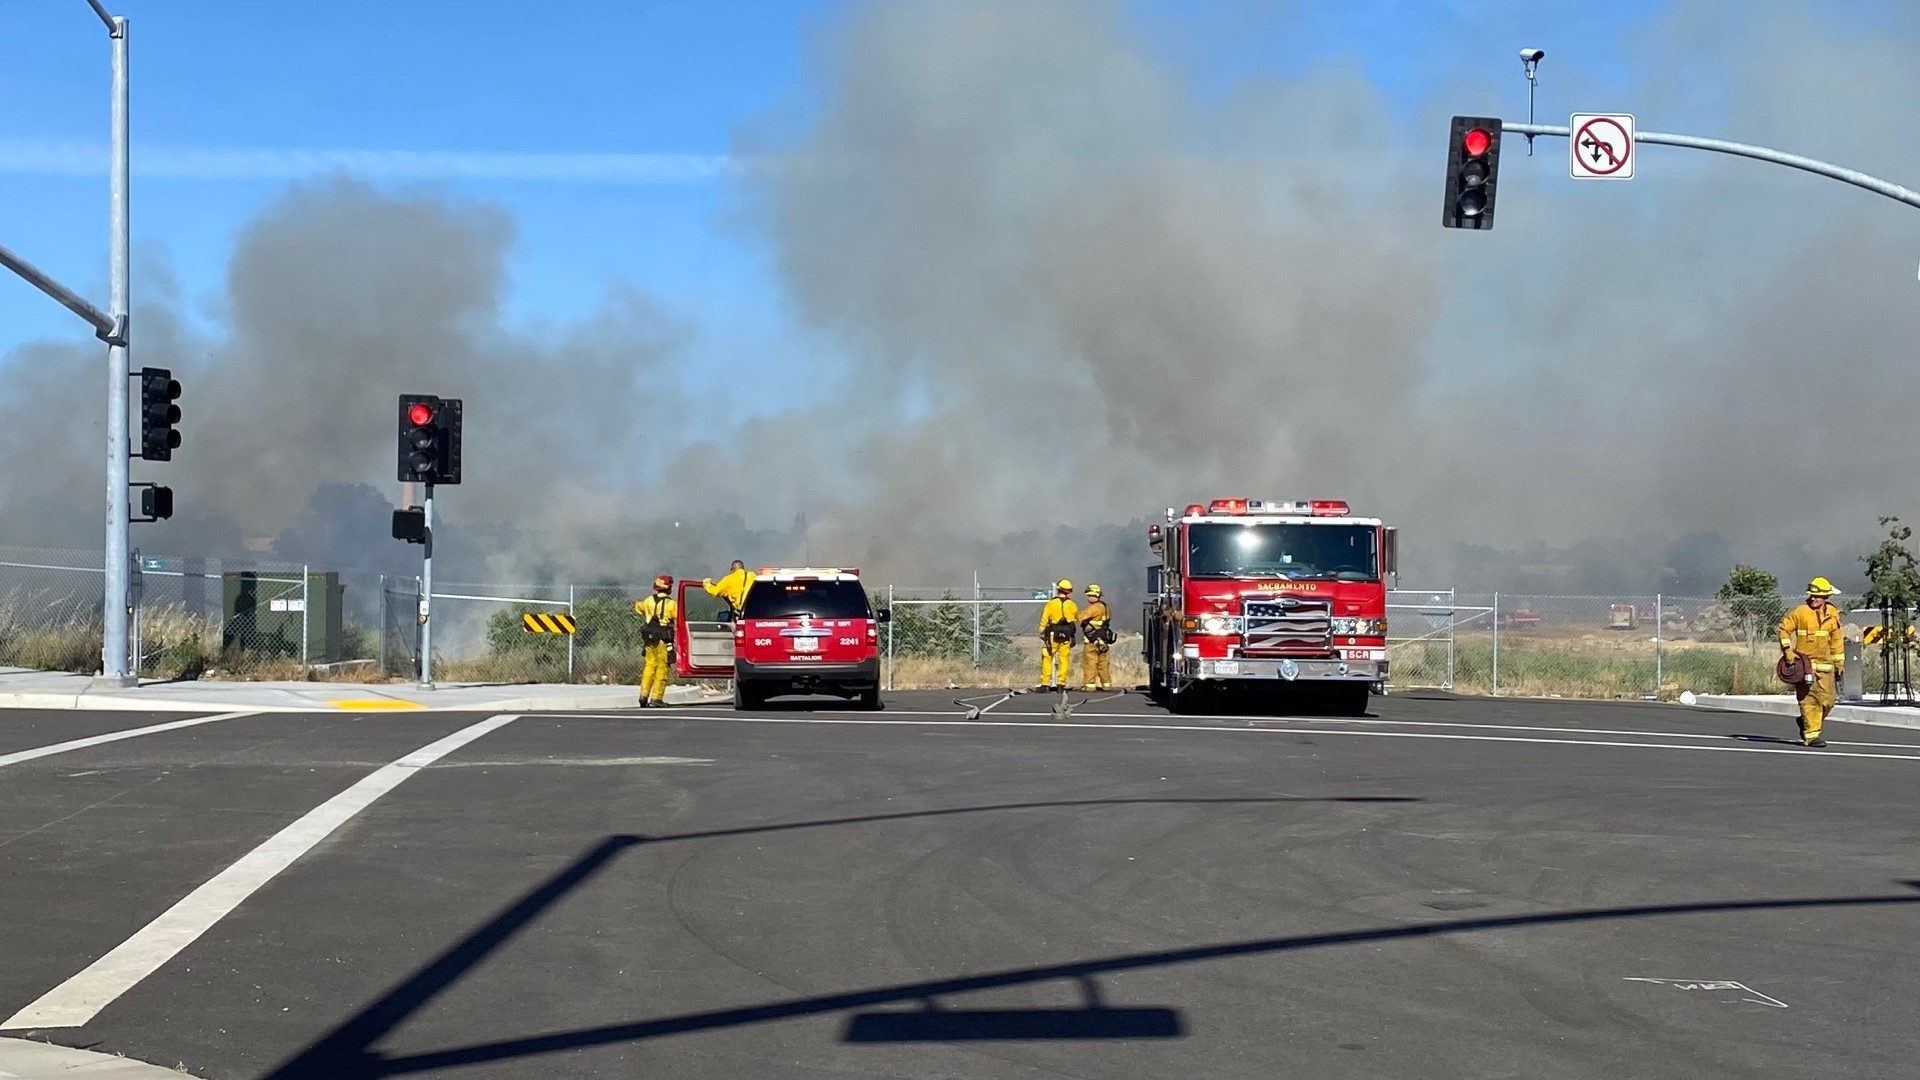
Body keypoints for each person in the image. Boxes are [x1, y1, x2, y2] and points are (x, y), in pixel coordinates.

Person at [1778, 577, 1843, 748]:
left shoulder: (1832, 613)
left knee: (1828, 701)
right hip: (1805, 665)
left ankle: (1805, 721)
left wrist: (1839, 662)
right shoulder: (1800, 612)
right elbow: (1784, 630)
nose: (1814, 598)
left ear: (1826, 597)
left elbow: (1836, 639)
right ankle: (1811, 735)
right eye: (1812, 595)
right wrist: (1787, 651)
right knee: (1809, 701)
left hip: (1825, 665)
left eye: (1818, 596)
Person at [633, 574, 678, 707]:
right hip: (664, 641)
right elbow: (678, 618)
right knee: (662, 669)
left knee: (649, 668)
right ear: (669, 588)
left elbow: (638, 607)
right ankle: (656, 698)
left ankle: (643, 696)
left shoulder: (648, 601)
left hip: (649, 640)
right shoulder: (671, 604)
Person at [1038, 579, 1078, 689]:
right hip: (1066, 635)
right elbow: (1075, 618)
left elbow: (1044, 619)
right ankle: (1061, 683)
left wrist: (1041, 631)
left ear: (1058, 589)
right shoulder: (1072, 605)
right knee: (1064, 659)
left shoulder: (1051, 604)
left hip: (1052, 635)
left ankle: (1045, 683)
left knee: (1047, 656)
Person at [1080, 583, 1115, 690]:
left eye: (1088, 595)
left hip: (1092, 641)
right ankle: (1106, 684)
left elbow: (1081, 617)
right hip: (1103, 640)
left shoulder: (1094, 608)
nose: (1087, 598)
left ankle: (1089, 685)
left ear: (1092, 595)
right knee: (1103, 663)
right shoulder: (1106, 607)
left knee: (1090, 662)